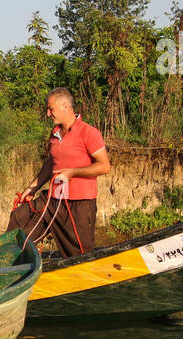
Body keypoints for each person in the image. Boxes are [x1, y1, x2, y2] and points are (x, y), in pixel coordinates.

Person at [6, 87, 110, 257]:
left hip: (79, 204)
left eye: (51, 109)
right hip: (52, 201)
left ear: (65, 107)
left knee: (79, 255)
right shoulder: (54, 134)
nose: (48, 113)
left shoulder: (89, 133)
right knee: (19, 217)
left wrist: (72, 173)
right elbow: (50, 164)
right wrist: (32, 188)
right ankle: (9, 263)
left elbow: (104, 166)